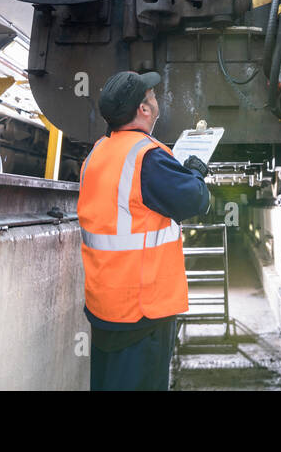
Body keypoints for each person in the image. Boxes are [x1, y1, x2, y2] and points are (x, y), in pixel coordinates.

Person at [79, 70, 210, 390]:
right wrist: (194, 172)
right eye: (152, 95)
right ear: (143, 109)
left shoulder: (98, 153)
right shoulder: (146, 157)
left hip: (105, 306)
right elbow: (195, 201)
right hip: (142, 310)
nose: (156, 98)